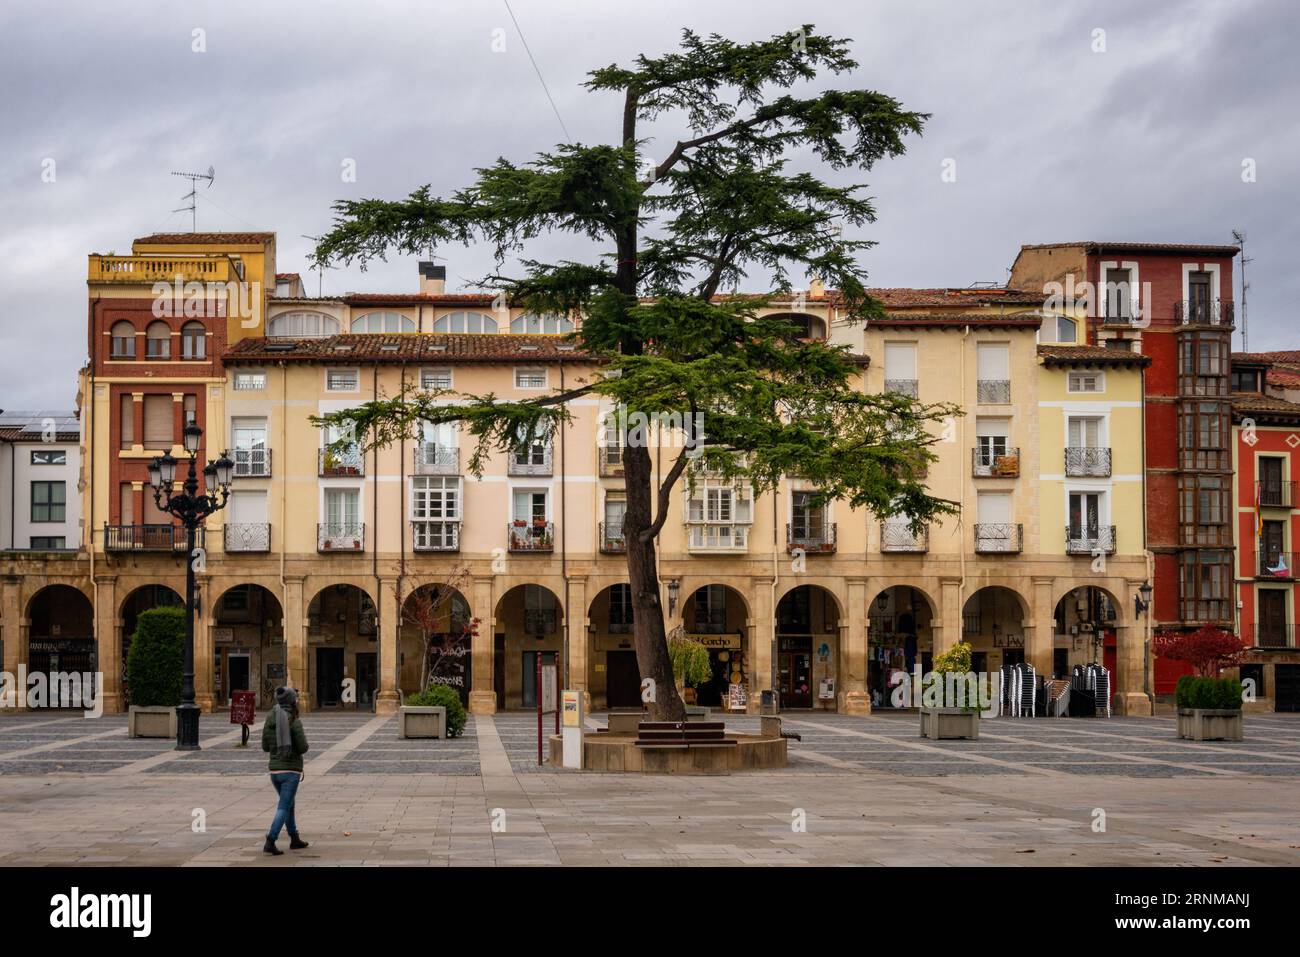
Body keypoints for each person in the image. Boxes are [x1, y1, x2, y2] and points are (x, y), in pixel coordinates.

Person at [261, 686, 310, 855]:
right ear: (292, 701)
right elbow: (303, 747)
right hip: (290, 770)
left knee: (289, 804)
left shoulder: (269, 718)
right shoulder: (293, 721)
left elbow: (265, 747)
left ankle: (294, 838)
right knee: (283, 806)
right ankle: (271, 840)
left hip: (274, 771)